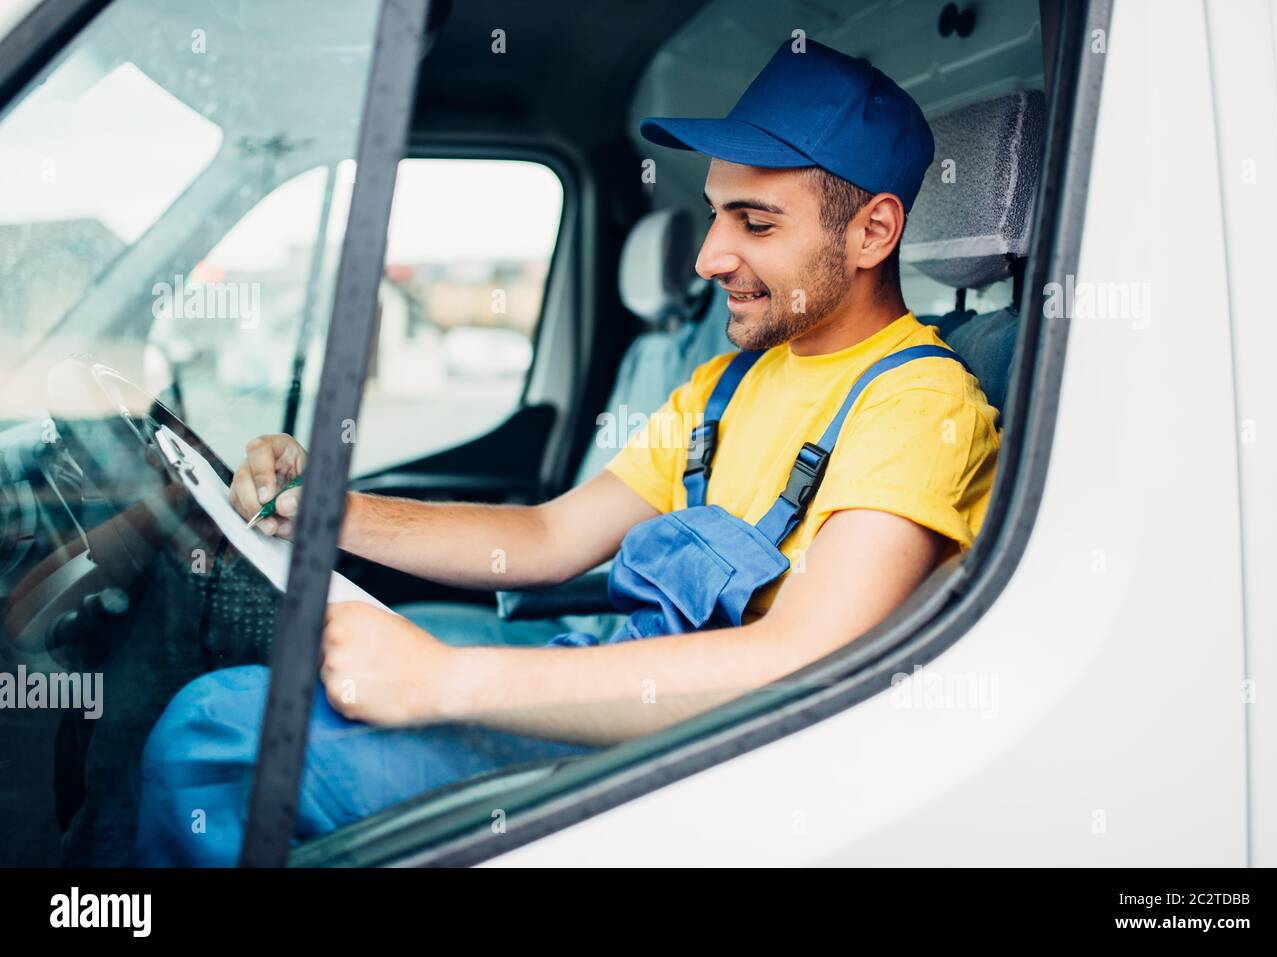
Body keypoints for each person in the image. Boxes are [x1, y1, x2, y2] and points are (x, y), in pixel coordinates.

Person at [133, 39, 1000, 866]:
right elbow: (547, 538)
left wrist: (446, 679)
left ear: (873, 231)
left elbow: (802, 661)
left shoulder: (918, 405)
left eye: (756, 223)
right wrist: (329, 511)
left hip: (715, 763)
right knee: (231, 709)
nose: (708, 256)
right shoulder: (729, 384)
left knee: (210, 743)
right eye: (712, 214)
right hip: (619, 686)